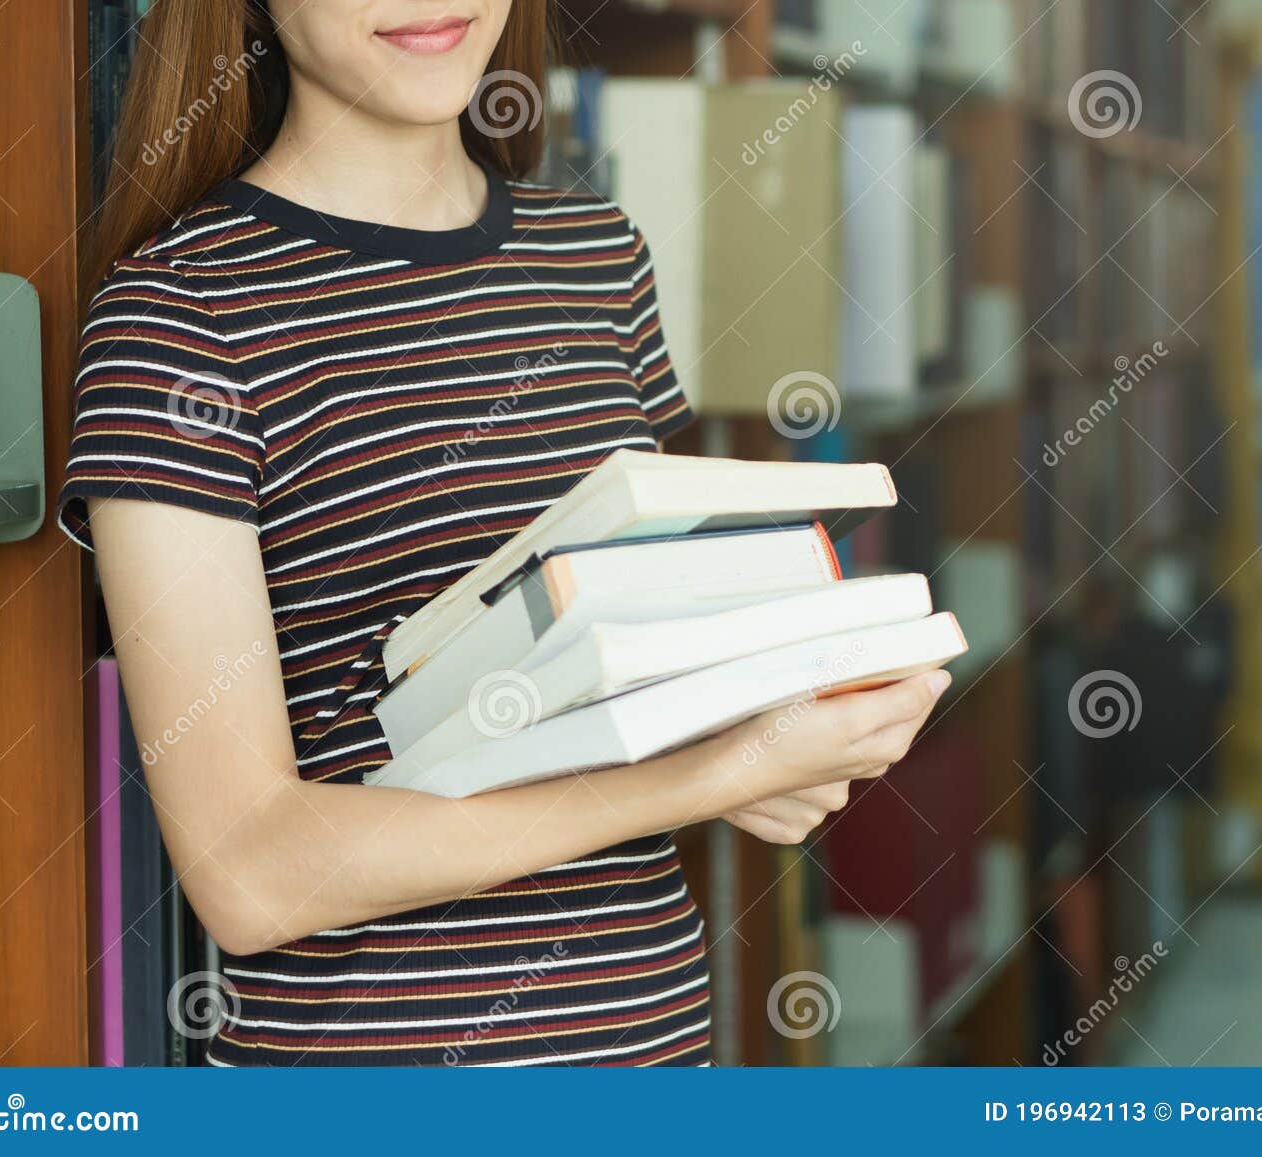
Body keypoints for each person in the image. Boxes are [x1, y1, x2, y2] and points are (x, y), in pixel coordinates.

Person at [60, 0, 948, 1066]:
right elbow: (248, 872)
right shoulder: (176, 320)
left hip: (653, 1047)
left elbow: (622, 669)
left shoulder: (597, 256)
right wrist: (712, 776)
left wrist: (786, 724)